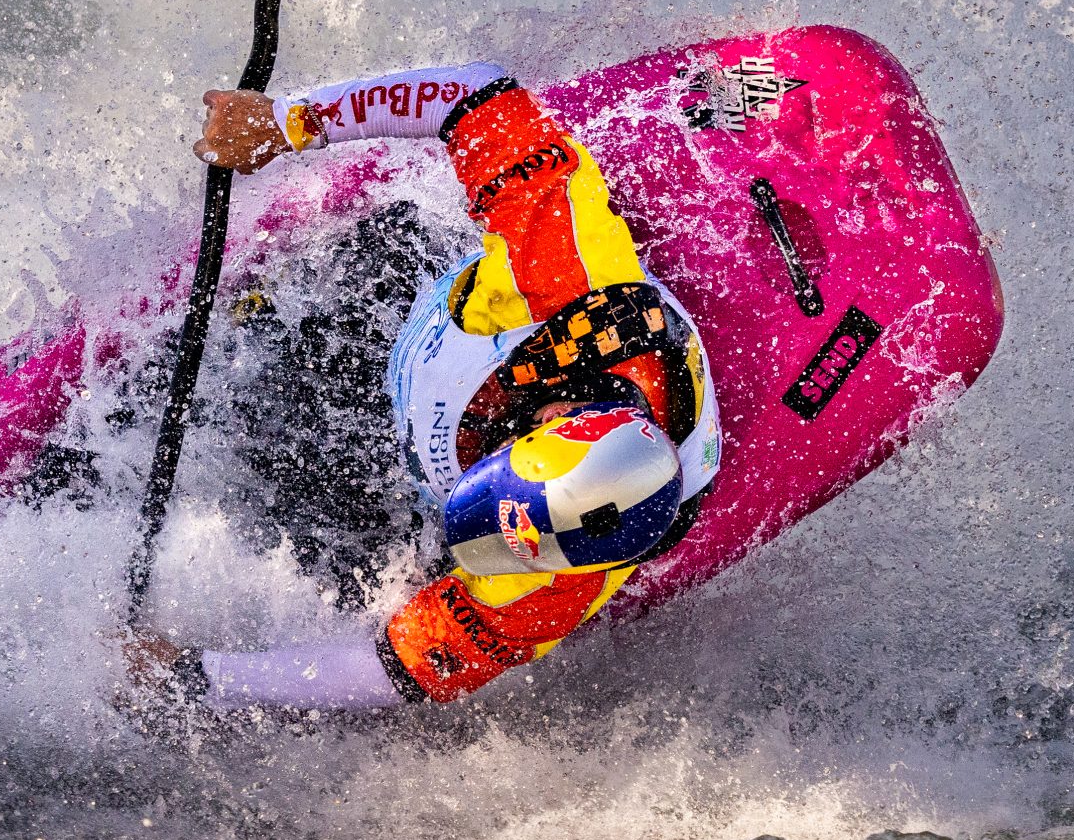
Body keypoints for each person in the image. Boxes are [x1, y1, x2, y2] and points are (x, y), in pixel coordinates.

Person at [124, 62, 721, 716]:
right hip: (425, 301)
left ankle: (254, 339)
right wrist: (285, 123)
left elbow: (394, 670)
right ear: (558, 419)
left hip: (397, 447)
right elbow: (472, 94)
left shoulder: (563, 582)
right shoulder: (562, 264)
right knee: (366, 261)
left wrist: (193, 678)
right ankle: (255, 313)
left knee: (277, 465)